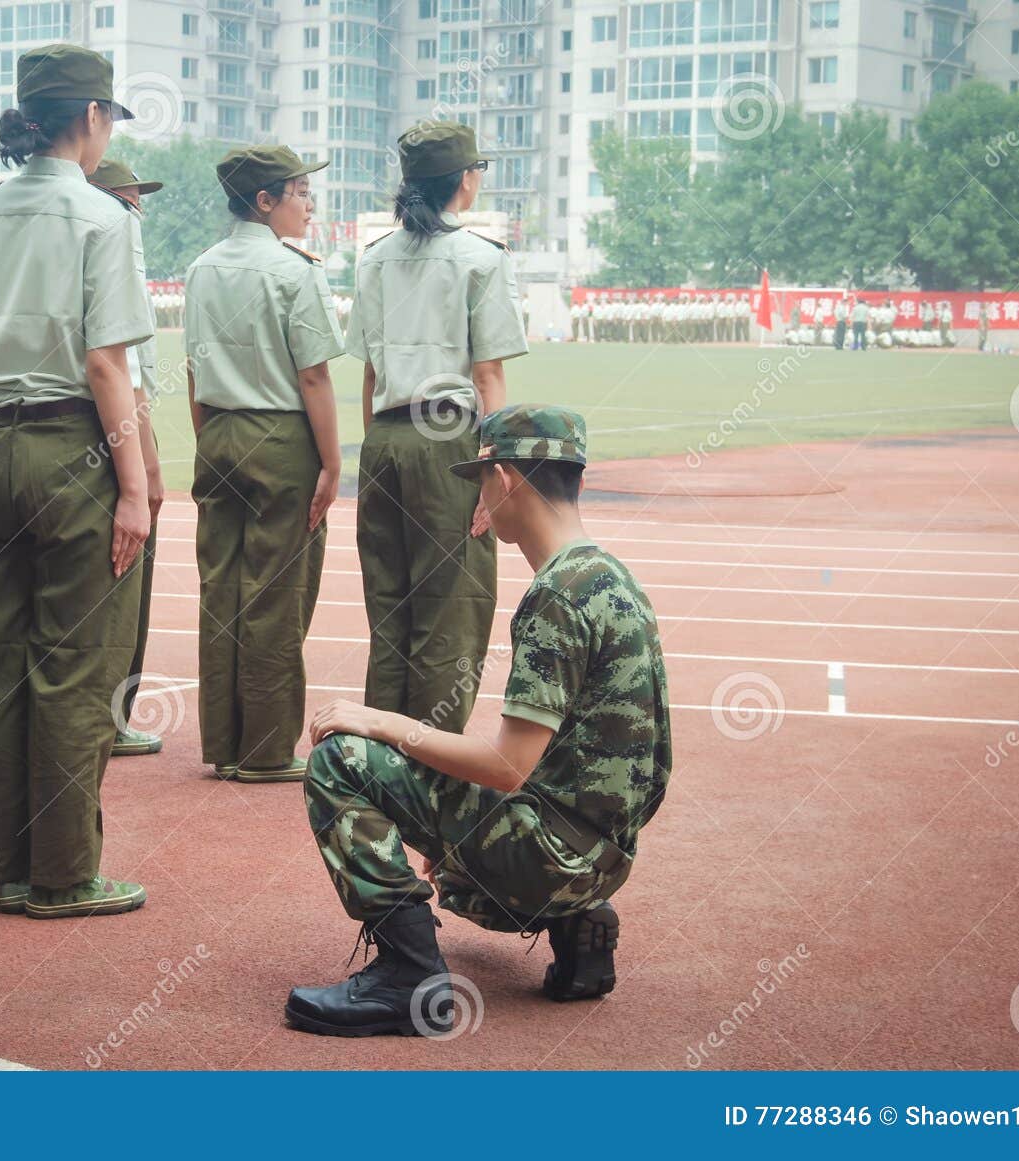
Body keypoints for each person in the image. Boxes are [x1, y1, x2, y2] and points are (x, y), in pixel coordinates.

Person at [285, 406, 672, 1036]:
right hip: (606, 856)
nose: (482, 493)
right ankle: (579, 923)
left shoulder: (556, 597)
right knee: (468, 846)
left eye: (485, 476)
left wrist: (382, 722)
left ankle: (407, 976)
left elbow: (505, 768)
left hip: (549, 860)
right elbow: (637, 765)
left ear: (509, 478)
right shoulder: (614, 580)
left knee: (341, 758)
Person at [0, 44, 157, 918]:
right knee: (73, 664)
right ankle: (66, 871)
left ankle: (11, 863)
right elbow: (107, 362)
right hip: (74, 445)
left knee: (2, 661)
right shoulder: (101, 219)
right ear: (90, 118)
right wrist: (137, 486)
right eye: (109, 115)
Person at [348, 122, 525, 738]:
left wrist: (377, 446)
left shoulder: (372, 260)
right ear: (465, 179)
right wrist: (496, 470)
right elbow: (489, 375)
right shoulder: (481, 259)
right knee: (452, 606)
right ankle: (428, 754)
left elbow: (369, 375)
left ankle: (378, 752)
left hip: (385, 439)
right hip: (448, 440)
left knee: (389, 605)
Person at [184, 146, 344, 782]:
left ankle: (224, 743)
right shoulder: (294, 271)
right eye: (299, 191)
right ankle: (267, 749)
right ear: (264, 201)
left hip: (218, 429)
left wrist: (209, 438)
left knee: (220, 589)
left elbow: (196, 369)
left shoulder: (201, 268)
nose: (309, 203)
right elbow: (313, 375)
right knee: (276, 592)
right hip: (280, 438)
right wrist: (331, 463)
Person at [90, 156, 169, 759]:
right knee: (118, 588)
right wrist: (145, 464)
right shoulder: (113, 228)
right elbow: (124, 362)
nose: (138, 206)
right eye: (132, 196)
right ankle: (109, 717)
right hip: (108, 423)